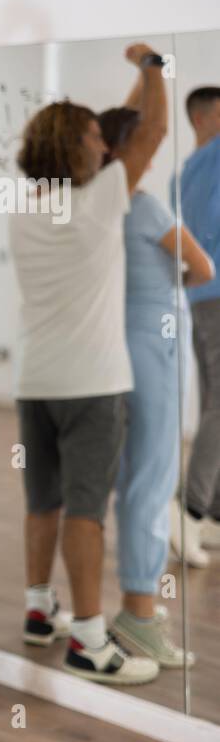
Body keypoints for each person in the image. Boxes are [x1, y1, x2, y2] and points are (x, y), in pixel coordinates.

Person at [9, 43, 167, 685]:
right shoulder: (102, 201)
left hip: (35, 383)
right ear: (81, 150)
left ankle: (38, 611)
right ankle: (91, 641)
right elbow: (151, 132)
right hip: (94, 386)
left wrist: (127, 93)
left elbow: (120, 132)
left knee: (41, 502)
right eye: (95, 140)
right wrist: (153, 66)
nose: (106, 147)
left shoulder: (24, 208)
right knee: (84, 514)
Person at [99, 104, 210, 667]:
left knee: (132, 478)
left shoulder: (94, 206)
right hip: (155, 349)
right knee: (152, 479)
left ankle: (135, 604)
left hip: (116, 348)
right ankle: (140, 617)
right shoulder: (143, 206)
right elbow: (203, 268)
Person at [174, 84, 220, 566]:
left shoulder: (183, 173)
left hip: (200, 298)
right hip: (214, 297)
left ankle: (208, 517)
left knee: (214, 404)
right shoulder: (204, 164)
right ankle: (187, 510)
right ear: (202, 118)